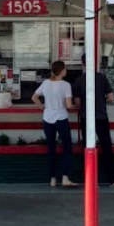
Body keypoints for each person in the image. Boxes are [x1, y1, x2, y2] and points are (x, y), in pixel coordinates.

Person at [73, 53, 114, 186]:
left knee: (87, 148)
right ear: (94, 63)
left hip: (85, 118)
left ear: (82, 63)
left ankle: (90, 180)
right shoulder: (102, 78)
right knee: (106, 148)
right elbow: (111, 98)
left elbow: (77, 103)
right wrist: (101, 100)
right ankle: (112, 179)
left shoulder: (78, 80)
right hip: (101, 117)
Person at [32, 60, 77, 188]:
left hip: (47, 118)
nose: (66, 70)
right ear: (61, 70)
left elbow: (34, 97)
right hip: (61, 118)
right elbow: (69, 105)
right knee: (67, 148)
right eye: (65, 68)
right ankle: (65, 178)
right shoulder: (66, 85)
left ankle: (52, 179)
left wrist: (42, 107)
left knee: (51, 148)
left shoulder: (45, 83)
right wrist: (74, 105)